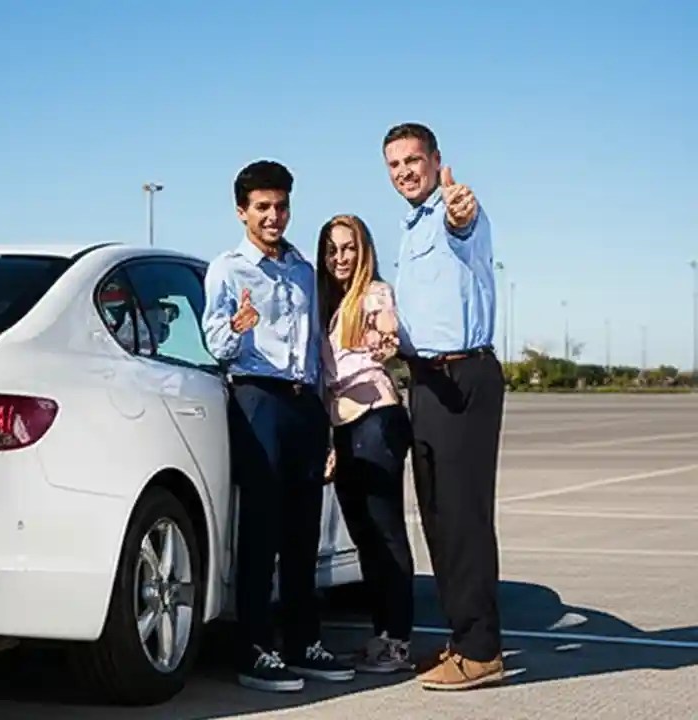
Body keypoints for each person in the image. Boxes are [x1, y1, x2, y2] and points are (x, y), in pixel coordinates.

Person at [202, 159, 354, 693]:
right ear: (242, 211)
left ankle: (303, 642)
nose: (274, 216)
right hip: (256, 400)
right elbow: (214, 345)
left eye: (281, 206)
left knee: (302, 532)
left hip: (302, 405)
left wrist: (327, 424)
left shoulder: (302, 271)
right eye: (262, 207)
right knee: (261, 531)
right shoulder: (227, 269)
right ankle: (255, 648)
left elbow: (315, 349)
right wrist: (237, 327)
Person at [381, 122, 506, 690]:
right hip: (427, 380)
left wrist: (458, 208)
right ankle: (463, 639)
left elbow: (464, 222)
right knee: (436, 514)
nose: (405, 171)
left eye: (413, 160)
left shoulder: (455, 215)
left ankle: (481, 652)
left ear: (436, 161)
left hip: (464, 375)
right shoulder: (408, 231)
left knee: (464, 516)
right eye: (394, 164)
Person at [315, 213, 416, 674]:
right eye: (333, 249)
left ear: (364, 250)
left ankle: (397, 641)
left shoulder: (372, 293)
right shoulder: (333, 305)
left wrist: (386, 338)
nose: (340, 257)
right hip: (347, 427)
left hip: (376, 419)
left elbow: (386, 328)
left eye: (349, 247)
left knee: (385, 532)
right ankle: (382, 636)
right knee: (364, 538)